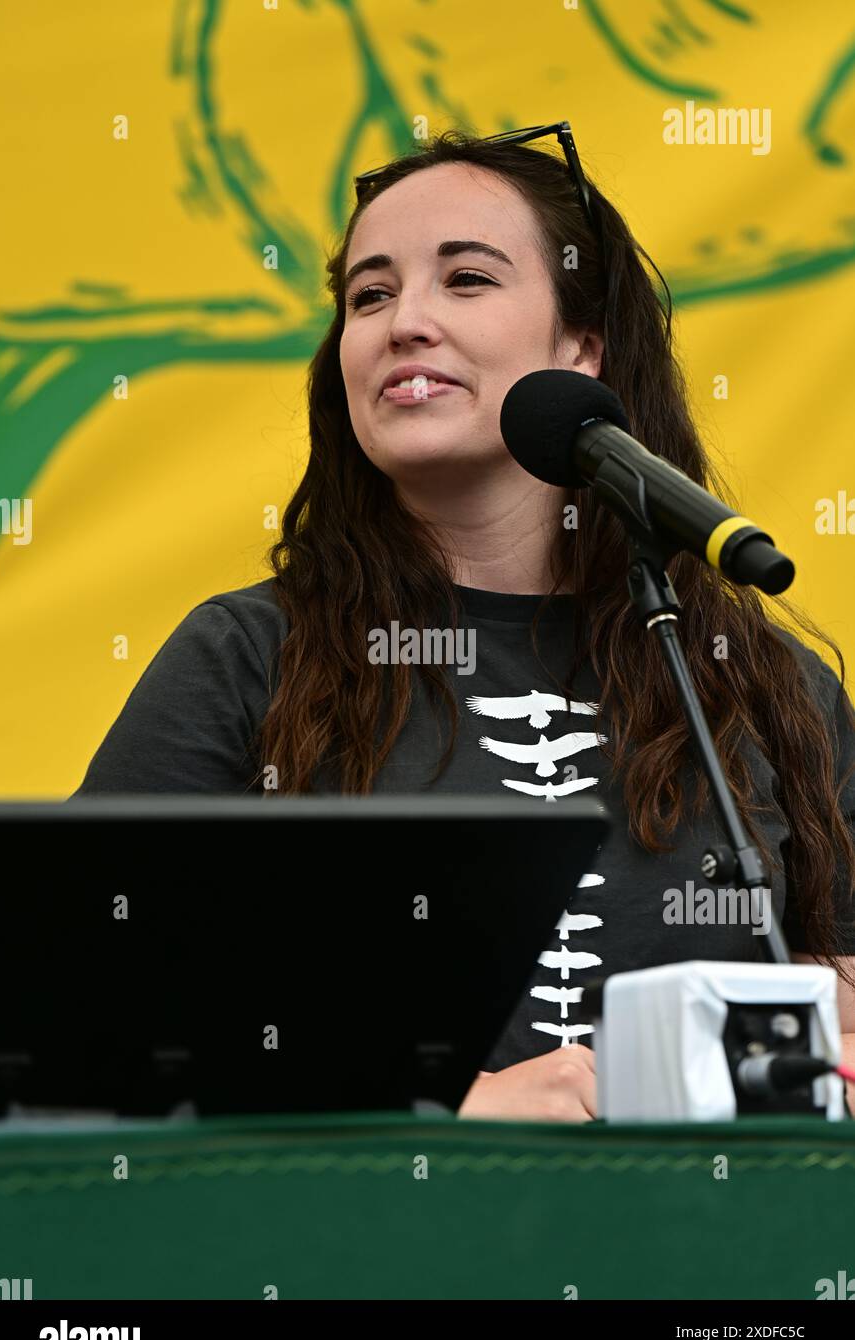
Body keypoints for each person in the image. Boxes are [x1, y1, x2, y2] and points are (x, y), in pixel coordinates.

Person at [70, 126, 855, 1123]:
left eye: (467, 280)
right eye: (369, 294)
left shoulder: (757, 682)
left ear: (582, 347)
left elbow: (836, 1013)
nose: (404, 323)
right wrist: (441, 1107)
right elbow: (85, 1039)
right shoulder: (246, 659)